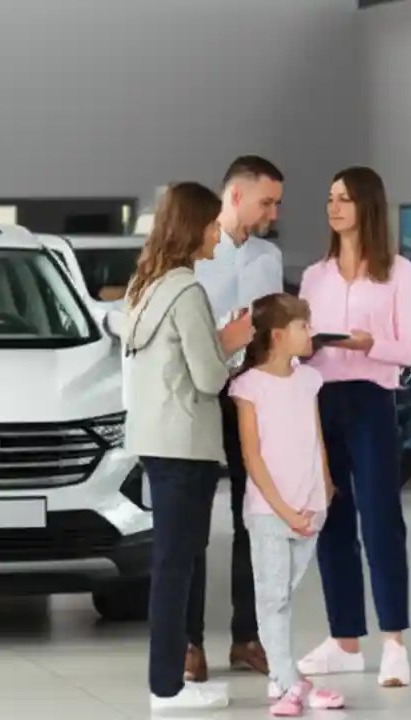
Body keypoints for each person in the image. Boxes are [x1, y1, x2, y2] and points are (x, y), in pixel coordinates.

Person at [123, 181, 255, 712]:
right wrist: (236, 344)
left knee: (171, 561)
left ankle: (170, 680)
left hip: (156, 439)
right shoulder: (187, 291)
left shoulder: (145, 286)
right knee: (176, 566)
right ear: (193, 227)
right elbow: (206, 378)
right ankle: (167, 688)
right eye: (211, 227)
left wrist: (214, 343)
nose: (218, 238)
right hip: (187, 445)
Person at [296, 166, 411, 687]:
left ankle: (394, 639)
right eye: (329, 198)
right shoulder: (314, 275)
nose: (334, 207)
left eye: (344, 199)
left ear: (367, 205)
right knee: (333, 521)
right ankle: (344, 639)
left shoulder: (399, 272)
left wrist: (370, 345)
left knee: (381, 521)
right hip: (321, 400)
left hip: (373, 400)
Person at [186, 154, 286, 681]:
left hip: (252, 398)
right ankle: (190, 644)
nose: (272, 213)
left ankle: (247, 637)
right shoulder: (193, 256)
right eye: (266, 201)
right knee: (194, 525)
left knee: (253, 521)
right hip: (202, 395)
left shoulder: (270, 257)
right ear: (236, 196)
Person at [228, 293, 346, 717]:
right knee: (273, 597)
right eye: (303, 326)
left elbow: (315, 438)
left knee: (284, 593)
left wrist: (325, 489)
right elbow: (252, 456)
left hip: (311, 506)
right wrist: (282, 510)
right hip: (269, 512)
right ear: (278, 335)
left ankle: (285, 677)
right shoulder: (248, 386)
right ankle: (288, 681)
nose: (309, 333)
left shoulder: (309, 381)